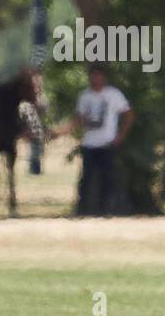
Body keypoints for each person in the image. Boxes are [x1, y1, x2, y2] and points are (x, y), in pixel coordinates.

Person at [56, 65, 133, 215]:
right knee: (86, 178)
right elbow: (79, 119)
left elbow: (129, 114)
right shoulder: (85, 96)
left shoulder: (114, 95)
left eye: (98, 75)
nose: (95, 79)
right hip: (89, 143)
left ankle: (107, 210)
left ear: (104, 77)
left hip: (107, 143)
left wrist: (120, 136)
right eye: (92, 75)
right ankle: (83, 210)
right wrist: (61, 131)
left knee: (108, 178)